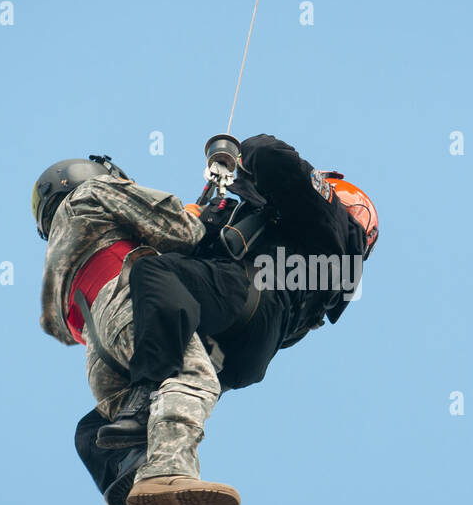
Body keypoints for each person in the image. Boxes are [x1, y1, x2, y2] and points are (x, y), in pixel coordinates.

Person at [33, 155, 237, 505]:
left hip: (98, 357)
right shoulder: (92, 195)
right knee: (190, 377)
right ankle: (165, 471)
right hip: (127, 301)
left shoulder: (53, 264)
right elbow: (181, 230)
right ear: (84, 177)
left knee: (159, 462)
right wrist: (204, 212)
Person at [95, 134, 379, 452]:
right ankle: (141, 475)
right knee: (94, 429)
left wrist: (234, 155)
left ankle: (146, 395)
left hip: (246, 293)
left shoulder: (329, 219)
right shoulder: (318, 276)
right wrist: (200, 223)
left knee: (154, 271)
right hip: (245, 352)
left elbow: (269, 153)